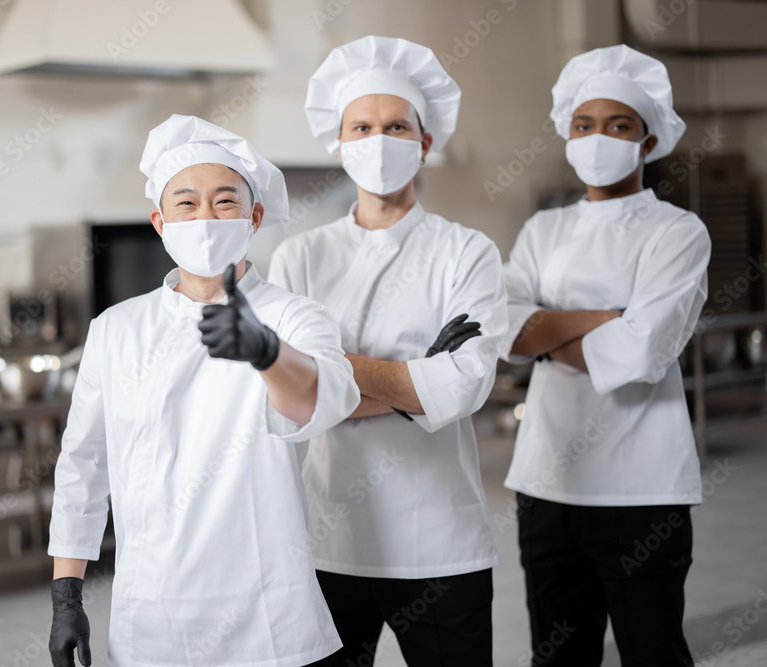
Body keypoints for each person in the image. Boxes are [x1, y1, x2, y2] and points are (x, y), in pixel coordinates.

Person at [47, 114, 361, 667]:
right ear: (160, 222)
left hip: (270, 617)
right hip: (152, 617)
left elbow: (321, 401)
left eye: (225, 202)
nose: (206, 218)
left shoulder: (294, 317)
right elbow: (83, 463)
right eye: (187, 204)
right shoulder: (116, 329)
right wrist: (66, 594)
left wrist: (268, 352)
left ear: (254, 217)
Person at [268, 35, 507, 666]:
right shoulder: (300, 257)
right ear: (339, 143)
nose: (379, 140)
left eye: (397, 126)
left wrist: (327, 374)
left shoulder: (467, 251)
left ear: (424, 142)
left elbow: (466, 384)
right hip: (329, 541)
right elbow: (287, 401)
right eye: (363, 127)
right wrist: (418, 377)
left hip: (441, 542)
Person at [501, 45, 711, 667]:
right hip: (547, 481)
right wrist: (610, 318)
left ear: (649, 141)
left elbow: (640, 352)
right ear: (568, 136)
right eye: (584, 125)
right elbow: (506, 332)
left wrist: (547, 332)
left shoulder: (677, 231)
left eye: (618, 125)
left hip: (641, 487)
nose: (598, 139)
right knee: (558, 655)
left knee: (653, 652)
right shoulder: (543, 231)